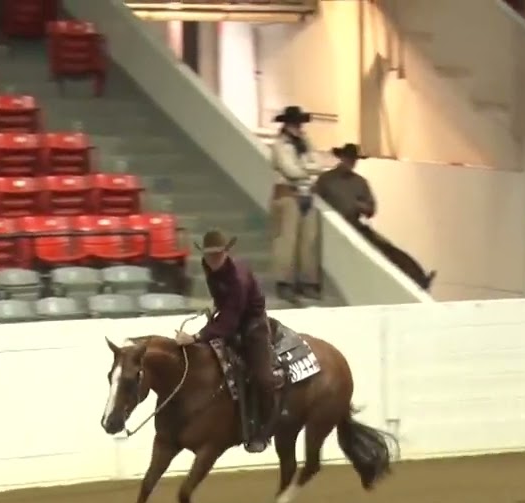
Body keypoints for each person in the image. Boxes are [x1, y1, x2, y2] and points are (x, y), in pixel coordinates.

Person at [175, 230, 275, 453]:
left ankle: (265, 430)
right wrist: (216, 306)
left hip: (252, 324)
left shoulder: (237, 278)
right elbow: (225, 304)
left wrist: (195, 337)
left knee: (263, 378)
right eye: (210, 256)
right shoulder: (207, 266)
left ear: (226, 253)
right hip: (231, 315)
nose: (213, 260)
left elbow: (230, 321)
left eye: (217, 255)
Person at [314, 143, 436, 291]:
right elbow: (315, 201)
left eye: (354, 160)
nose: (351, 163)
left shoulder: (360, 182)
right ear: (342, 158)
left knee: (386, 247)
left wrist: (361, 206)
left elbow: (371, 209)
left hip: (354, 224)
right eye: (349, 159)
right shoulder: (326, 179)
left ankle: (418, 277)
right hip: (332, 226)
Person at [270, 105, 322, 301]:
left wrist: (305, 168)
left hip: (306, 193)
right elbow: (290, 171)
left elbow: (318, 164)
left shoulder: (305, 143)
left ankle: (307, 281)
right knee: (286, 241)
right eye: (296, 123)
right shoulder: (280, 145)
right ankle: (285, 282)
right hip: (287, 194)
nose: (300, 127)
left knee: (308, 241)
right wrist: (309, 169)